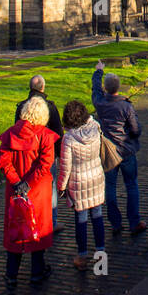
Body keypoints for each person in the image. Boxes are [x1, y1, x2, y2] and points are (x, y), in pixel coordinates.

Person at [0, 95, 59, 287]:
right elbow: (45, 164)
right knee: (37, 230)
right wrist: (28, 183)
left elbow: (3, 161)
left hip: (15, 191)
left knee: (15, 226)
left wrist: (16, 183)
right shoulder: (45, 136)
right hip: (37, 190)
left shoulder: (10, 134)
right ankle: (37, 272)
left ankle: (11, 274)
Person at [91, 59, 146, 235]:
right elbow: (136, 129)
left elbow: (95, 90)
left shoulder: (99, 103)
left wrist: (98, 71)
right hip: (126, 150)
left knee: (110, 187)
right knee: (131, 185)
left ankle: (115, 223)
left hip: (108, 152)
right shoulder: (125, 106)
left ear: (106, 88)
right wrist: (132, 135)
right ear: (119, 87)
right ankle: (134, 222)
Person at [57, 99, 106, 270]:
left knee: (81, 220)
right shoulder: (96, 128)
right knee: (98, 216)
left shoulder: (68, 139)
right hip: (96, 177)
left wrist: (61, 187)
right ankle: (101, 259)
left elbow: (65, 166)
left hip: (78, 183)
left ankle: (83, 256)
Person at [16, 74, 63, 232]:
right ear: (43, 87)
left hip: (26, 156)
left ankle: (29, 220)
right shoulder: (50, 107)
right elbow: (58, 133)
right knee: (50, 188)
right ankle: (52, 222)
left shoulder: (21, 107)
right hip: (46, 156)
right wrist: (58, 154)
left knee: (28, 187)